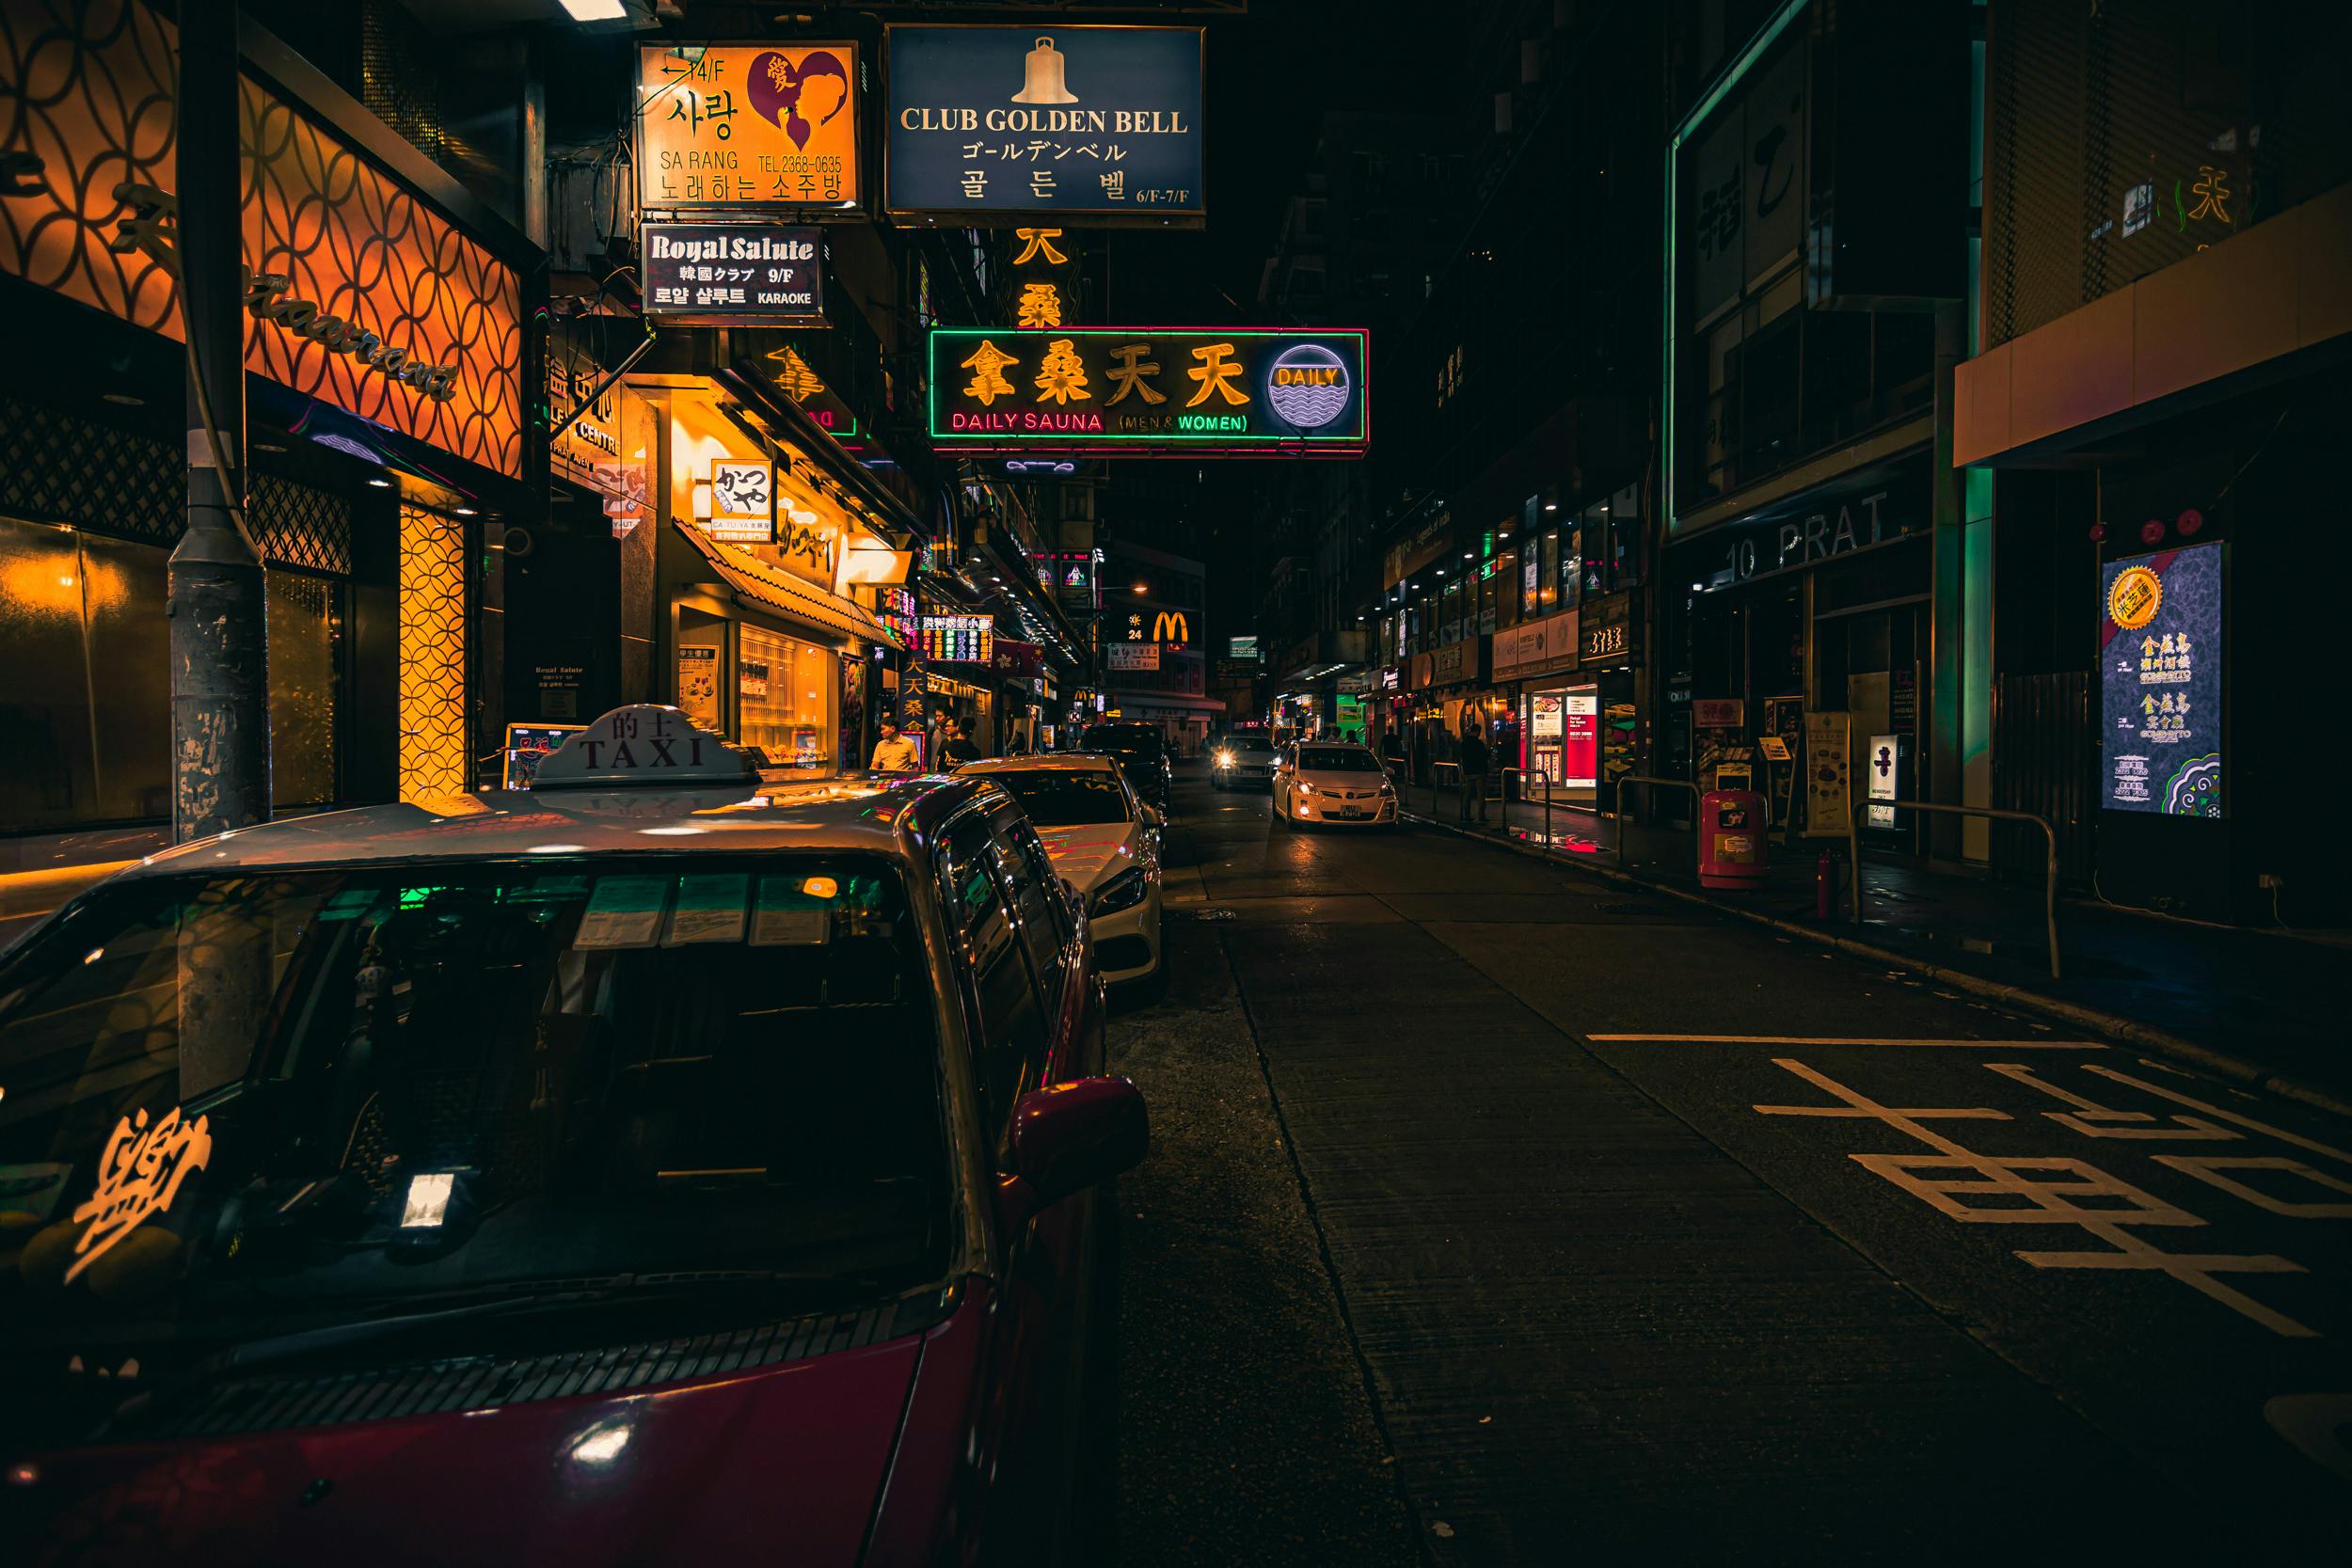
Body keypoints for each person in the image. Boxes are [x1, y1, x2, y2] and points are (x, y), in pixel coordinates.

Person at [1458, 719, 1491, 825]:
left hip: (1468, 771)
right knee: (1481, 795)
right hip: (1479, 772)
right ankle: (1480, 816)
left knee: (1467, 795)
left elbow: (1462, 756)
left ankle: (1466, 815)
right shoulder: (1479, 743)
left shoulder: (1465, 743)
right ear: (1477, 732)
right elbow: (1485, 756)